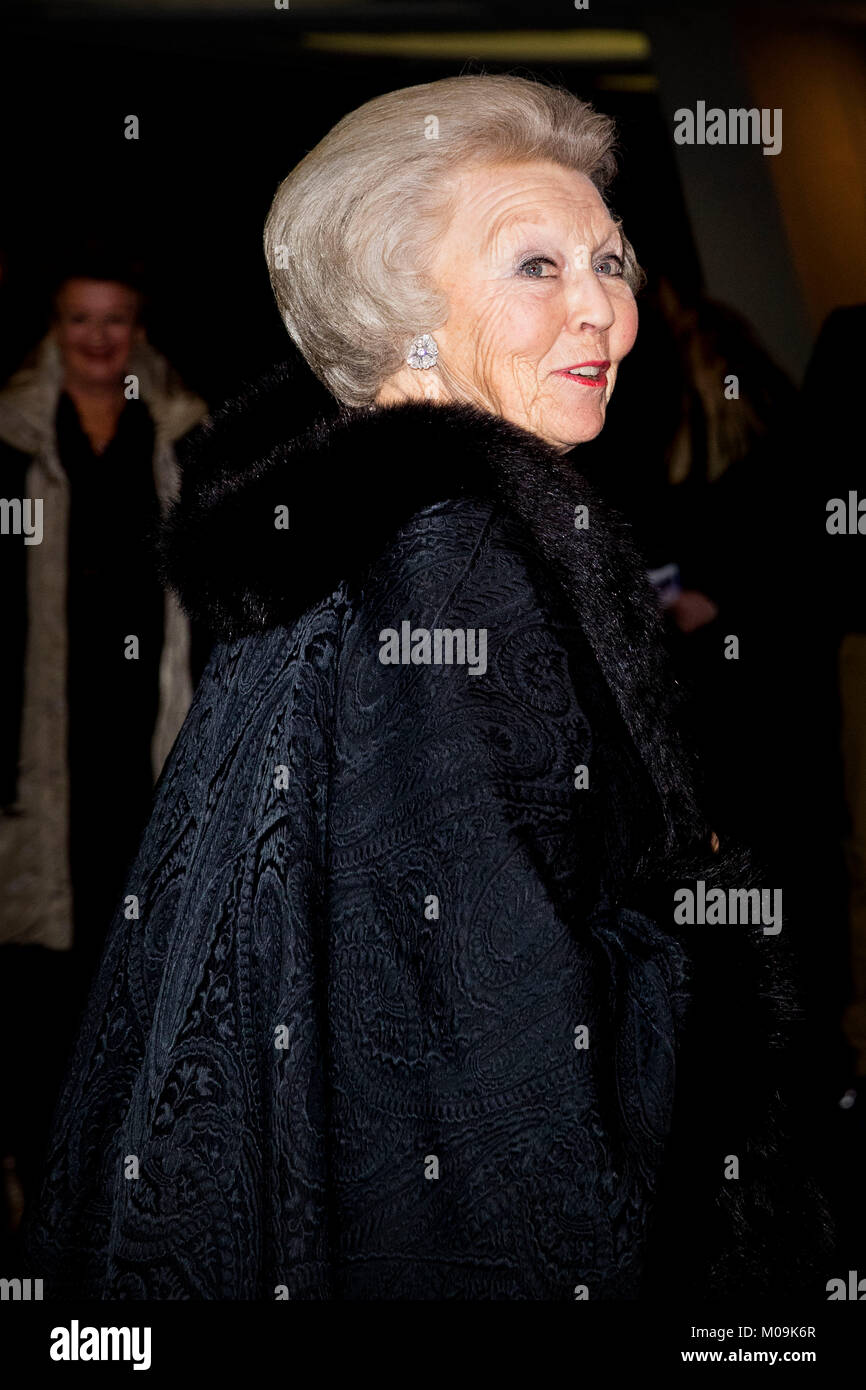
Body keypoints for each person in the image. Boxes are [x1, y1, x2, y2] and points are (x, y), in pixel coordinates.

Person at [25, 75, 830, 1300]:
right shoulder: (458, 564)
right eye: (535, 268)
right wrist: (707, 923)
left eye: (610, 264)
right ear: (395, 305)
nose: (601, 313)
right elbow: (500, 1075)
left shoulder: (344, 532)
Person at [0, 257, 207, 1250]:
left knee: (148, 973)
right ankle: (43, 1195)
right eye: (80, 319)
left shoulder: (183, 433)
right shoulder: (5, 436)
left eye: (115, 320)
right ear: (53, 326)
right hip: (38, 756)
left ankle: (142, 1198)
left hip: (149, 745)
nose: (97, 340)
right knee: (43, 985)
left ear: (138, 329)